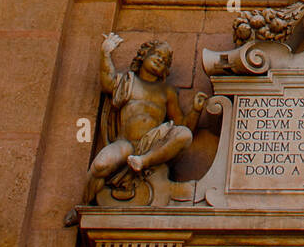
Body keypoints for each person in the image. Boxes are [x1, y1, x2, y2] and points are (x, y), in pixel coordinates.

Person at [64, 34, 207, 224]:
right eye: (156, 55)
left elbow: (182, 125)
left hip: (152, 143)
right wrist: (105, 52)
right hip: (126, 143)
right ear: (143, 55)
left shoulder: (167, 92)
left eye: (165, 61)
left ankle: (143, 161)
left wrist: (196, 110)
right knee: (100, 164)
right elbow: (107, 82)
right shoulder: (127, 81)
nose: (160, 61)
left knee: (184, 135)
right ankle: (83, 205)